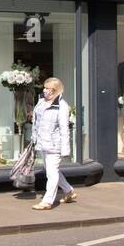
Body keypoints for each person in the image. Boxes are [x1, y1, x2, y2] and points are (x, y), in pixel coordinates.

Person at [30, 76, 77, 210]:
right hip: (42, 143)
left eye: (49, 89)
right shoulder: (41, 102)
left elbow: (64, 129)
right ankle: (68, 191)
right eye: (45, 88)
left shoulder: (62, 106)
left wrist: (65, 150)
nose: (45, 91)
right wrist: (34, 140)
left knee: (51, 173)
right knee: (51, 170)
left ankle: (47, 201)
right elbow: (36, 123)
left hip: (54, 145)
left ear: (56, 90)